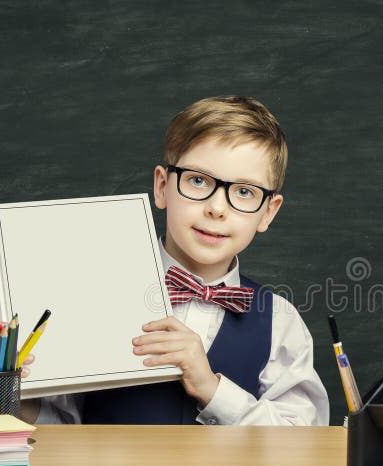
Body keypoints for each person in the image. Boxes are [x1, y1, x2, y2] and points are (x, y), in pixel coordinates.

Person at [20, 96, 329, 425]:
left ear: (268, 211)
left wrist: (213, 389)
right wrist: (9, 387)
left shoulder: (280, 321)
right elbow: (59, 427)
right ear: (163, 186)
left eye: (244, 192)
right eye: (198, 181)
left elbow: (303, 442)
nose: (217, 208)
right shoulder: (91, 292)